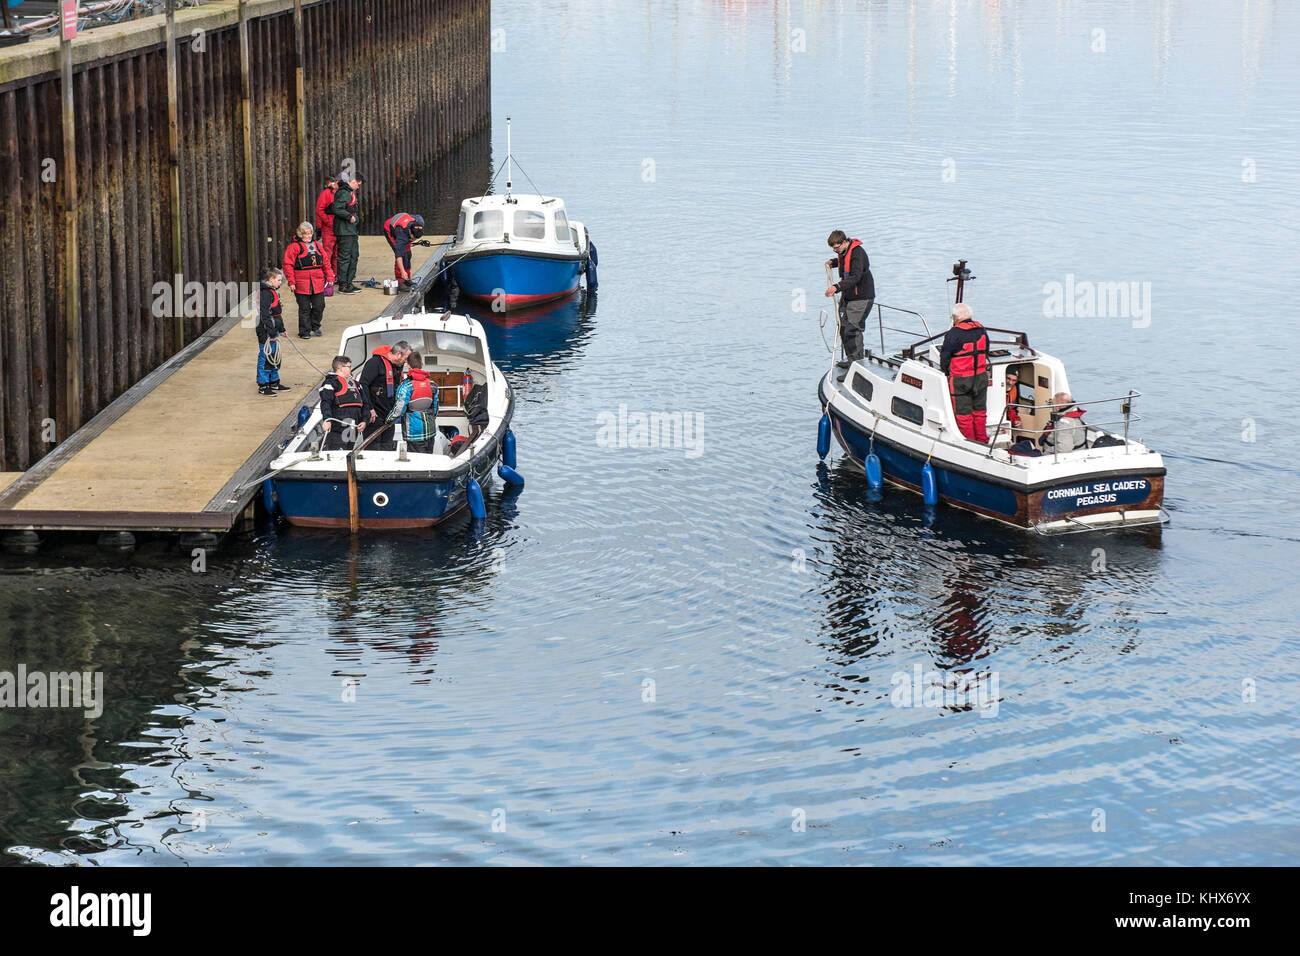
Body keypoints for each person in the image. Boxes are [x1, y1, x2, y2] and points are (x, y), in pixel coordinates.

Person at [824, 229, 875, 368]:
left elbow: (855, 276)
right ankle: (850, 359)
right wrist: (833, 262)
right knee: (843, 328)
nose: (835, 250)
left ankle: (857, 365)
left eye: (836, 247)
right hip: (848, 297)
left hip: (862, 297)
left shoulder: (858, 253)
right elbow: (844, 262)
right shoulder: (844, 252)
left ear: (844, 242)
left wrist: (836, 287)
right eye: (833, 248)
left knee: (853, 329)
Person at [939, 302, 990, 442]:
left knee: (964, 415)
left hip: (961, 381)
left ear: (955, 318)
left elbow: (945, 358)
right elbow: (986, 351)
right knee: (980, 412)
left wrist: (945, 372)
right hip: (980, 378)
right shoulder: (982, 330)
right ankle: (982, 440)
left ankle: (970, 444)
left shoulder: (953, 334)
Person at [283, 221, 335, 339]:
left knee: (319, 306)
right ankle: (304, 331)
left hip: (318, 282)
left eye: (310, 234)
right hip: (301, 283)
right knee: (304, 308)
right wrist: (291, 281)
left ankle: (315, 325)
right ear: (301, 235)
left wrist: (330, 276)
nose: (308, 236)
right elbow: (288, 265)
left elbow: (325, 262)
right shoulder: (294, 247)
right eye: (306, 234)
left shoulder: (317, 245)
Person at [358, 340, 411, 450]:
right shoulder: (375, 363)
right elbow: (363, 384)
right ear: (398, 354)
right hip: (375, 415)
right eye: (405, 358)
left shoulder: (396, 367)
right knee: (373, 448)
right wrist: (369, 409)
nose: (405, 362)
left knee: (387, 447)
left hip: (388, 416)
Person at [385, 352, 439, 453]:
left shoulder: (406, 386)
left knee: (417, 462)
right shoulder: (432, 384)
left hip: (414, 433)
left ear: (408, 366)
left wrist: (388, 420)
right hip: (430, 432)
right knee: (429, 460)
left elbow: (399, 410)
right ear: (422, 365)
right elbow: (435, 408)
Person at [318, 356, 370, 450]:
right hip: (338, 427)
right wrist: (327, 420)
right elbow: (326, 403)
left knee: (349, 452)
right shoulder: (330, 383)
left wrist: (364, 420)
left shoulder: (356, 385)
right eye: (349, 366)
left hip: (353, 427)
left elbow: (365, 404)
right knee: (337, 453)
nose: (350, 368)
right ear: (341, 368)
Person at [256, 267, 290, 396]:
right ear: (271, 280)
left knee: (275, 356)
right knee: (265, 356)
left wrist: (281, 329)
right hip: (265, 330)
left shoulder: (273, 291)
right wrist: (270, 333)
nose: (280, 283)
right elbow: (265, 315)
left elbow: (276, 314)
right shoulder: (265, 293)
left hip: (274, 328)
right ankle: (263, 385)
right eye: (279, 280)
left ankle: (274, 381)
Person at [330, 174, 363, 293]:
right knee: (344, 257)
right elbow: (336, 208)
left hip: (351, 230)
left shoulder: (349, 192)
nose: (358, 187)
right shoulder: (343, 192)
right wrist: (349, 216)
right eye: (357, 184)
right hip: (344, 230)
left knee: (354, 255)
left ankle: (349, 282)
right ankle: (343, 284)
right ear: (352, 181)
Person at [383, 212, 425, 288]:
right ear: (410, 233)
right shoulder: (401, 235)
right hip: (389, 229)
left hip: (403, 224)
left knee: (408, 254)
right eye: (413, 238)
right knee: (403, 255)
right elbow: (398, 256)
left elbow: (419, 216)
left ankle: (407, 278)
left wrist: (411, 238)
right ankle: (400, 281)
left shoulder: (419, 223)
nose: (413, 240)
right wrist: (402, 271)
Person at [314, 177, 340, 274]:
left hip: (339, 227)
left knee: (338, 254)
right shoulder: (326, 193)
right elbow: (319, 210)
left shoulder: (341, 193)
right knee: (327, 253)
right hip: (329, 228)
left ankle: (335, 275)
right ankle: (327, 275)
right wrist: (326, 223)